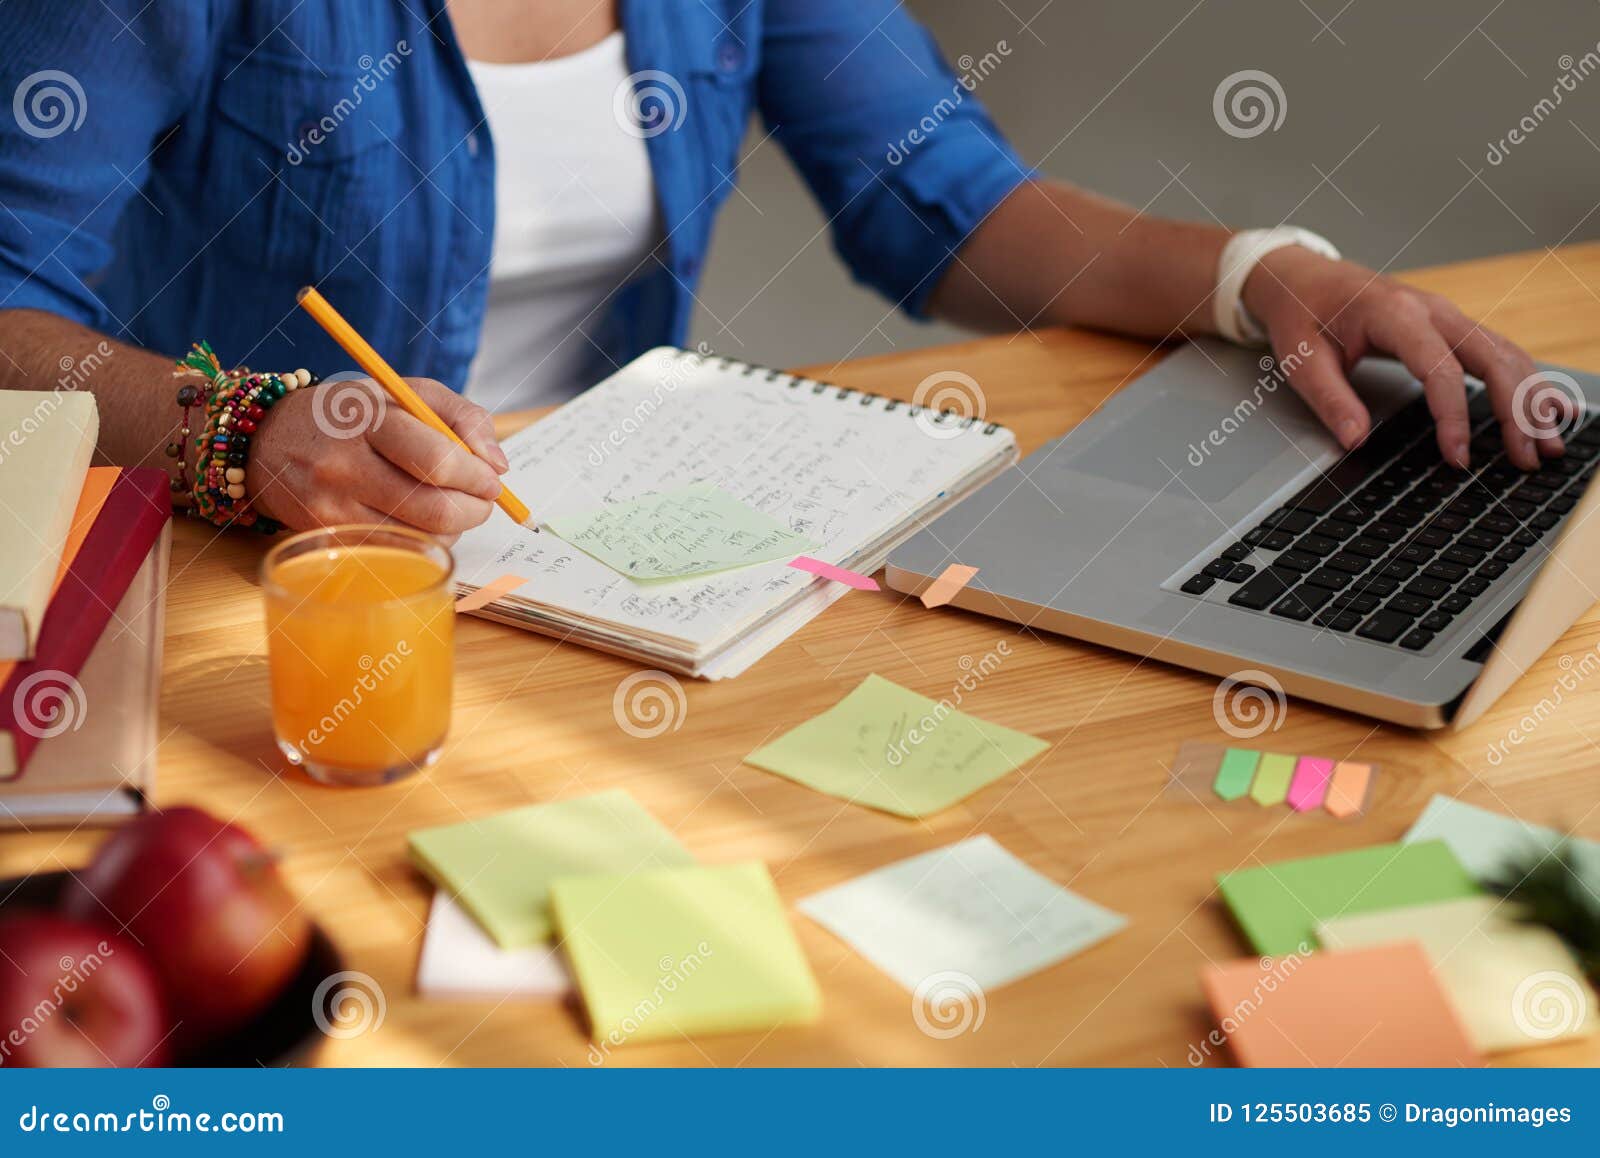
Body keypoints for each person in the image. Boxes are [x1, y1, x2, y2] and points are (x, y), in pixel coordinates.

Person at [0, 0, 1562, 539]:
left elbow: (946, 200)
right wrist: (245, 428)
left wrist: (1264, 276)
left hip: (580, 563)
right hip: (238, 580)